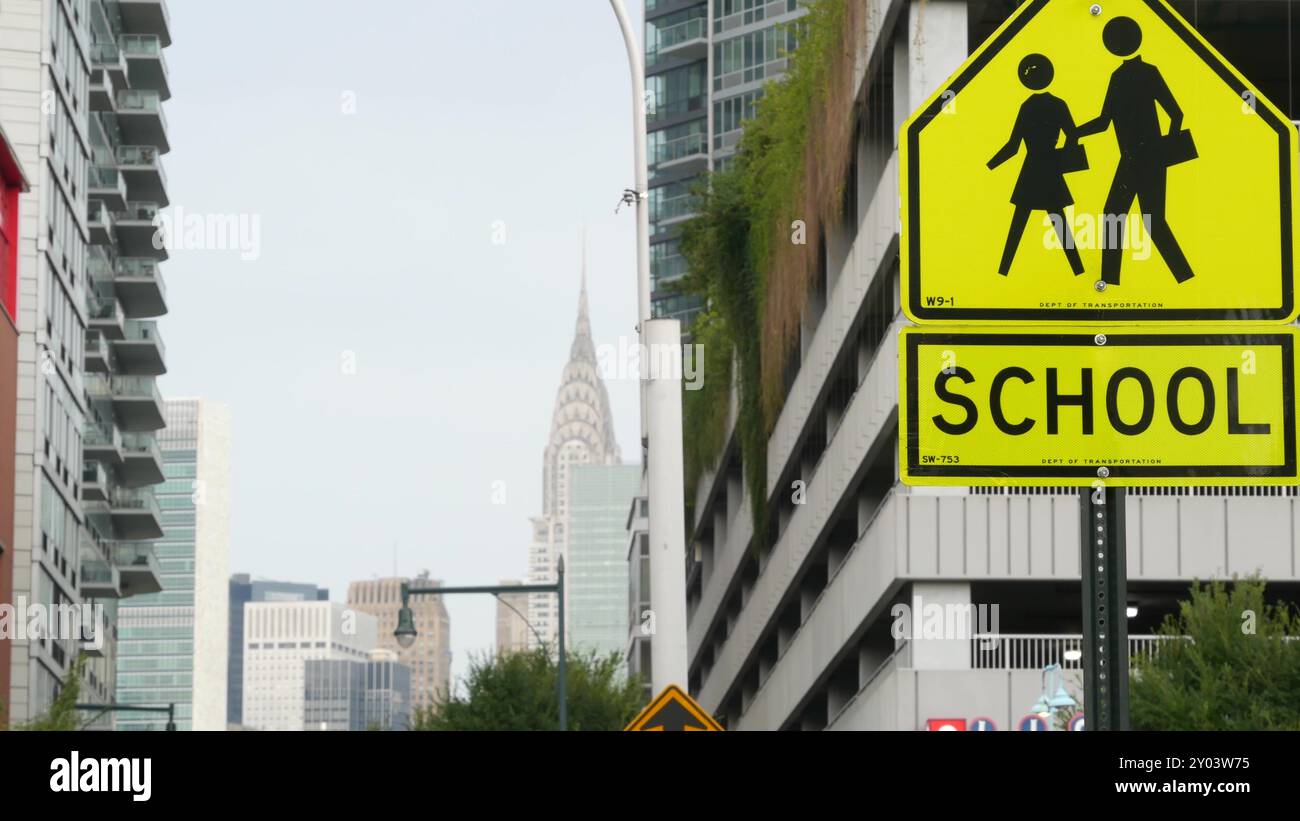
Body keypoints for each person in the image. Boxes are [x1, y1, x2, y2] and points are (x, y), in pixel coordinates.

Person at [1077, 16, 1195, 285]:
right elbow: (1174, 115)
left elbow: (1176, 112)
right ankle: (1116, 281)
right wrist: (1075, 132)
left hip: (1142, 158)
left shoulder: (1132, 75)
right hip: (1137, 159)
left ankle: (1181, 279)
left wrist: (1166, 148)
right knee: (1136, 220)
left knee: (1132, 219)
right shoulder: (1129, 75)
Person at [988, 53, 1086, 276]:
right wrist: (1063, 160)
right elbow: (1073, 135)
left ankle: (1003, 271)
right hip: (1050, 168)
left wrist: (991, 166)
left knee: (1019, 224)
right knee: (1059, 223)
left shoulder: (1027, 106)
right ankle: (1079, 271)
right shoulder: (1058, 104)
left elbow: (1013, 146)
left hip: (1032, 170)